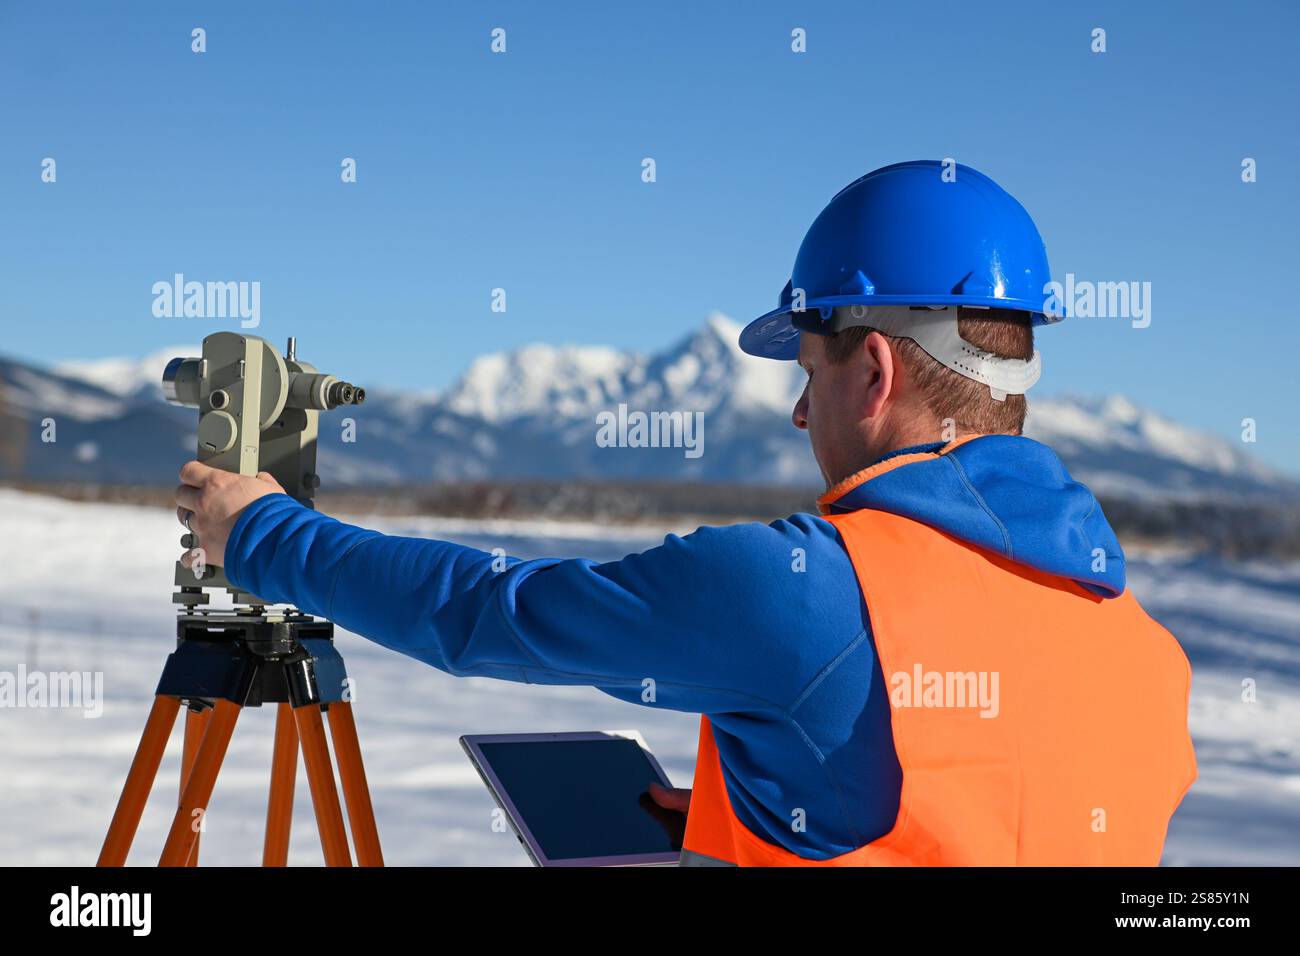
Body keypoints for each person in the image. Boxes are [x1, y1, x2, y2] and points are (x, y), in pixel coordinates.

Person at [174, 161, 1196, 866]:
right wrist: (762, 810)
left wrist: (259, 528)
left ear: (873, 370)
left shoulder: (810, 589)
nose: (801, 411)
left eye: (809, 371)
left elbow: (485, 610)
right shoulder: (1144, 650)